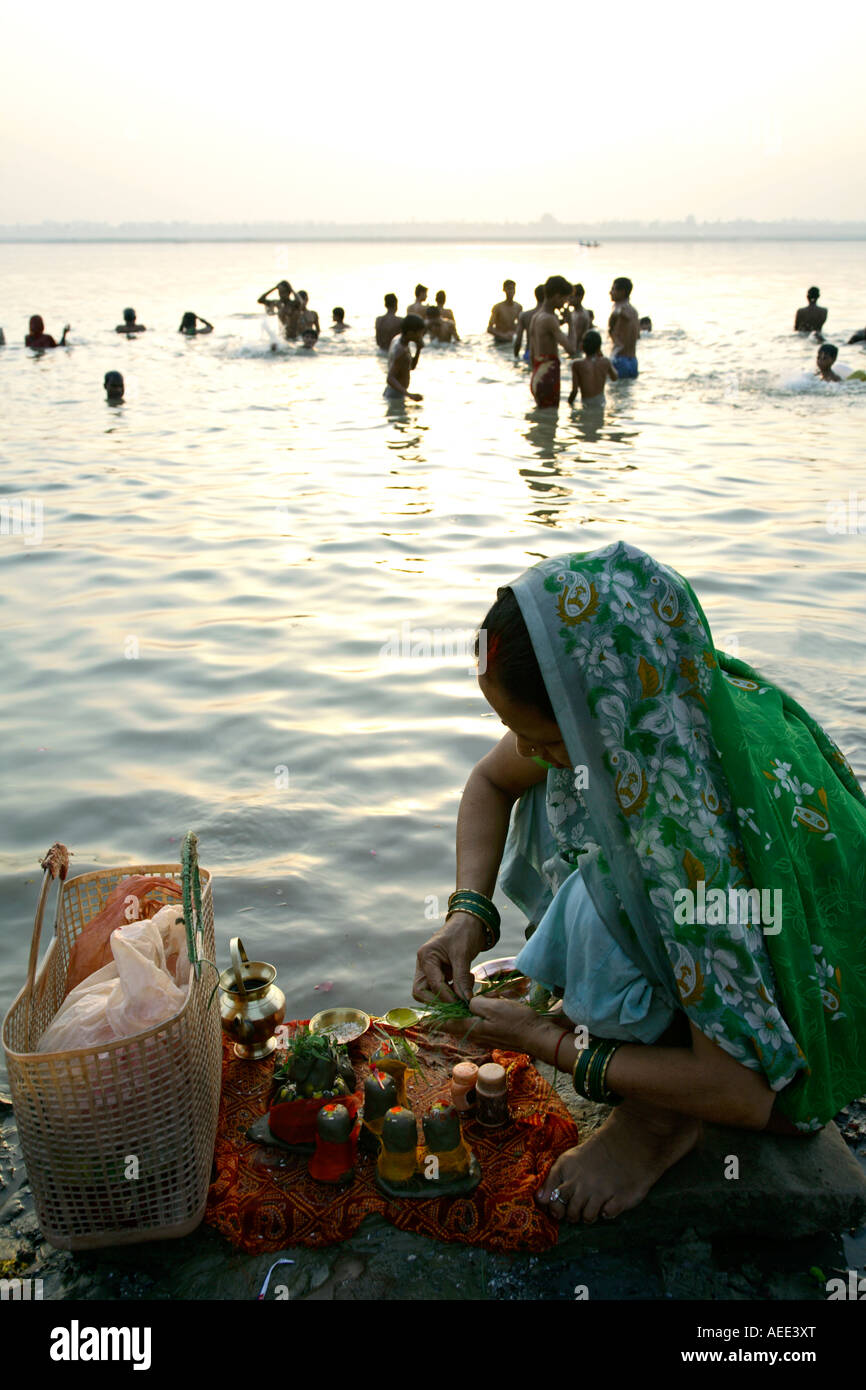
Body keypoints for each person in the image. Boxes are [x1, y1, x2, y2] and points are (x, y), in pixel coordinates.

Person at [413, 539, 866, 1225]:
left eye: (543, 736)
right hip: (761, 933)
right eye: (515, 731)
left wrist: (550, 1044)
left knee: (607, 898)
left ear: (599, 714)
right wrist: (466, 915)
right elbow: (490, 780)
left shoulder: (685, 839)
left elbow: (740, 1094)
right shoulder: (659, 695)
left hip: (797, 1052)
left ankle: (657, 1123)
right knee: (562, 799)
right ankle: (659, 1029)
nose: (527, 752)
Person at [528, 275, 573, 408]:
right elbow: (571, 349)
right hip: (548, 376)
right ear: (557, 296)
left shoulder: (535, 317)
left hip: (537, 374)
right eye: (564, 299)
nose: (565, 303)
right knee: (550, 423)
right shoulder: (550, 319)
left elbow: (531, 354)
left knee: (542, 423)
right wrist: (570, 323)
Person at [567, 329, 618, 403]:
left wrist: (569, 404)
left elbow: (574, 391)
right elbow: (615, 377)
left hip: (586, 403)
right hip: (601, 402)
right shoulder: (605, 361)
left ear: (582, 346)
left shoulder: (577, 364)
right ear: (599, 347)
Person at [384, 314, 424, 400]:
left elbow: (411, 367)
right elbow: (390, 378)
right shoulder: (401, 350)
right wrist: (410, 395)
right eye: (420, 333)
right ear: (410, 333)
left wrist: (418, 349)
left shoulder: (399, 340)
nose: (421, 336)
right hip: (395, 395)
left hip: (397, 393)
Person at [608, 277, 640, 378]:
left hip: (620, 359)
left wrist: (611, 330)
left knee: (615, 392)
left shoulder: (618, 308)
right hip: (633, 361)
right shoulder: (634, 311)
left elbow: (616, 315)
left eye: (613, 289)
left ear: (622, 292)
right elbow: (638, 336)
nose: (610, 292)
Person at [513, 286, 545, 364]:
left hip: (529, 353)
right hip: (545, 355)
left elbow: (518, 340)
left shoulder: (524, 315)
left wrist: (516, 357)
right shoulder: (550, 316)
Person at [566, 284, 594, 356]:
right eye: (568, 297)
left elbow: (576, 339)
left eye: (572, 297)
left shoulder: (581, 315)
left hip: (577, 352)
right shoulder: (574, 312)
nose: (568, 300)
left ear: (580, 297)